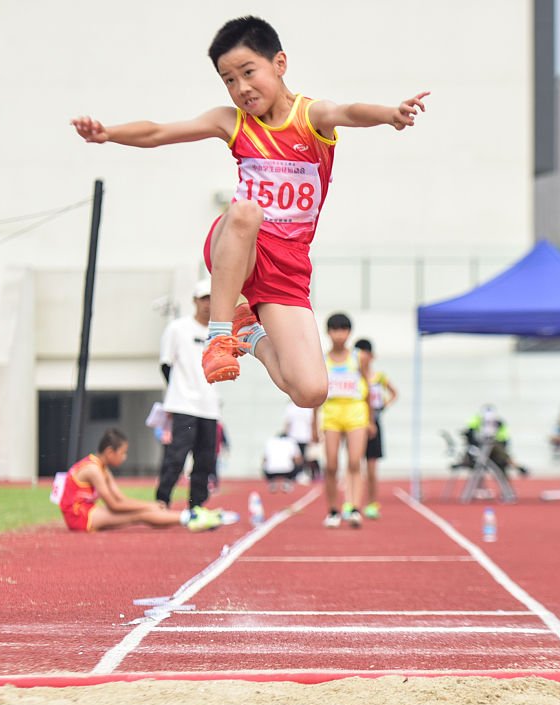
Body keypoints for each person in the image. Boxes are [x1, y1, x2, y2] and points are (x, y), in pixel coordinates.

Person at [71, 16, 428, 410]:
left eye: (247, 72)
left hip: (287, 267)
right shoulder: (232, 122)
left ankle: (250, 335)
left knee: (310, 391)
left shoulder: (310, 117)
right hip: (238, 247)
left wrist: (389, 113)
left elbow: (349, 111)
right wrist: (108, 133)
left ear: (279, 63)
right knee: (245, 211)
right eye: (228, 79)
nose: (240, 88)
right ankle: (220, 336)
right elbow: (159, 132)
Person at [59, 428, 228, 533]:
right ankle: (191, 518)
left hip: (87, 510)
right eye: (123, 453)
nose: (124, 458)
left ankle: (190, 516)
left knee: (140, 513)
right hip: (78, 516)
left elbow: (121, 499)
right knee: (139, 515)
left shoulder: (101, 467)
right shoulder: (93, 470)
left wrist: (150, 506)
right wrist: (149, 506)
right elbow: (114, 505)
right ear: (110, 452)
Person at [156, 277, 222, 513]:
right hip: (184, 405)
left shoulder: (219, 332)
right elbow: (166, 365)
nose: (208, 303)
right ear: (195, 300)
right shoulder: (177, 328)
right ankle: (162, 500)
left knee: (205, 460)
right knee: (176, 456)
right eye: (204, 298)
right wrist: (180, 392)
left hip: (209, 406)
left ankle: (197, 506)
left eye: (213, 298)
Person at [315, 313, 370, 528]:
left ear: (349, 333)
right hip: (331, 412)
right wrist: (313, 423)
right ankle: (332, 510)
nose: (339, 335)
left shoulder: (359, 357)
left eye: (343, 330)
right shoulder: (323, 358)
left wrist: (371, 420)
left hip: (356, 411)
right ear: (328, 332)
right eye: (335, 330)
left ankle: (355, 508)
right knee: (331, 465)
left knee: (355, 462)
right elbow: (316, 390)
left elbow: (367, 390)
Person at [354, 338, 397, 519]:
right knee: (355, 466)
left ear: (372, 356)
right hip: (355, 422)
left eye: (365, 354)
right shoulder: (353, 376)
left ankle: (371, 503)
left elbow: (394, 393)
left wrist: (383, 406)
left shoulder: (379, 377)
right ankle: (354, 503)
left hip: (374, 423)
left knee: (371, 468)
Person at [283, 400, 318, 482]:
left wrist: (313, 434)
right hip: (294, 436)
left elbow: (311, 422)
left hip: (304, 436)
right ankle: (297, 473)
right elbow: (288, 422)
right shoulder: (291, 406)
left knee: (305, 457)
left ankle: (303, 473)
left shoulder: (307, 407)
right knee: (296, 458)